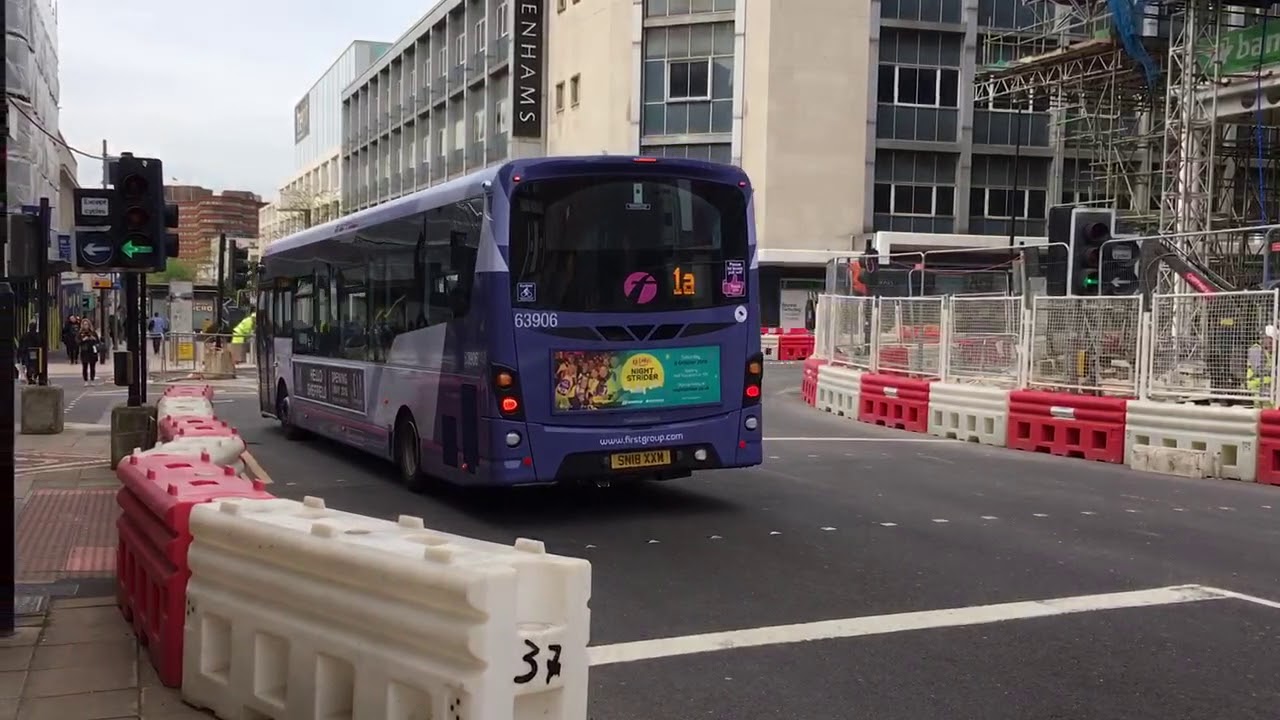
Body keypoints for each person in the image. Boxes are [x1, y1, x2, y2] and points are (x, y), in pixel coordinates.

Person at [1247, 325, 1276, 408]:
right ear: (1265, 338)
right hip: (1258, 387)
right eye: (1271, 341)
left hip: (1268, 387)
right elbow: (1258, 370)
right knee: (1264, 409)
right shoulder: (1256, 350)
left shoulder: (1268, 352)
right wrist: (1274, 372)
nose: (1272, 344)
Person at [78, 321, 102, 385]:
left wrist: (93, 338)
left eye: (87, 324)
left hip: (92, 351)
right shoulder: (80, 333)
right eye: (84, 324)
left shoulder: (93, 332)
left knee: (92, 367)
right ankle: (85, 381)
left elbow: (98, 341)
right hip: (84, 351)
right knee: (85, 367)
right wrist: (83, 339)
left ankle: (92, 380)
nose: (86, 326)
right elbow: (77, 342)